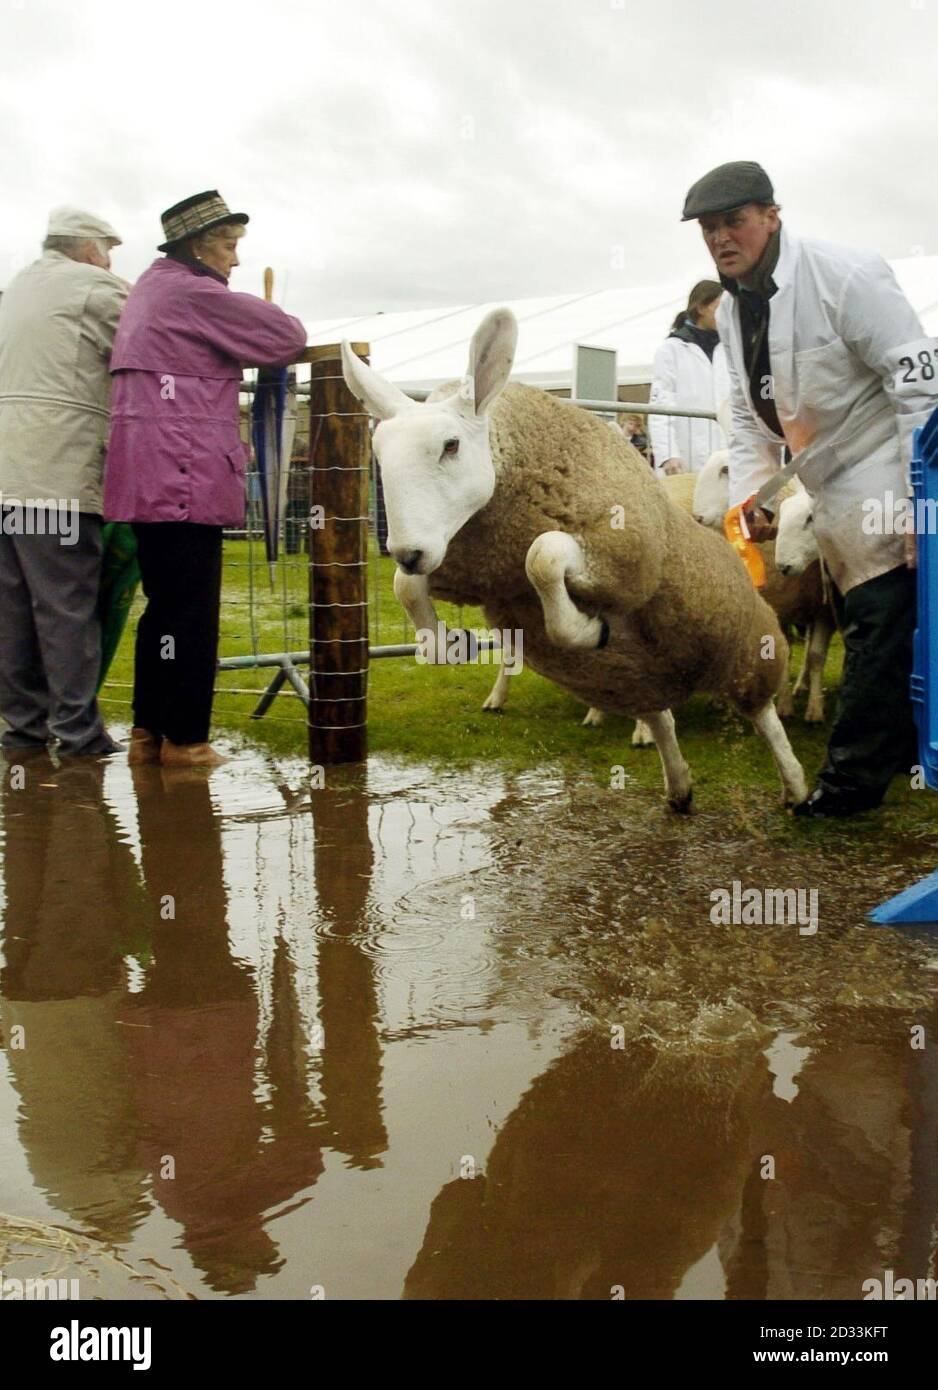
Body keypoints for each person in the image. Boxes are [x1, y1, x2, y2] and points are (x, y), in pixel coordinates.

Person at [683, 159, 938, 816]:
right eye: (709, 229)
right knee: (883, 619)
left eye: (733, 221)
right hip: (827, 479)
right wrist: (755, 497)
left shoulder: (845, 274)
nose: (720, 238)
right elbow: (745, 415)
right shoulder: (734, 313)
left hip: (886, 459)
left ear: (772, 215)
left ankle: (848, 786)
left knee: (879, 619)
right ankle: (907, 747)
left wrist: (921, 500)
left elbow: (915, 380)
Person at [104, 190, 307, 766]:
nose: (235, 260)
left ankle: (148, 734)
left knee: (164, 609)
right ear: (198, 246)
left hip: (149, 476)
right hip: (183, 476)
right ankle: (187, 742)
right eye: (228, 245)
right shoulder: (194, 292)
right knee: (192, 613)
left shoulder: (152, 287)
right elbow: (286, 336)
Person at [0, 206, 128, 757]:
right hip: (54, 478)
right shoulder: (93, 288)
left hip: (7, 477)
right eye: (109, 251)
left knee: (14, 611)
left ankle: (23, 730)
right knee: (66, 608)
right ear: (89, 248)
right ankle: (78, 733)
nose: (111, 262)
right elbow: (154, 333)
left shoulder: (17, 288)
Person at [648, 280, 729, 475]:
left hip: (726, 456)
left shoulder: (730, 348)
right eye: (721, 308)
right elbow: (660, 403)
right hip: (685, 457)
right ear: (701, 308)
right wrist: (668, 454)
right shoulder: (672, 349)